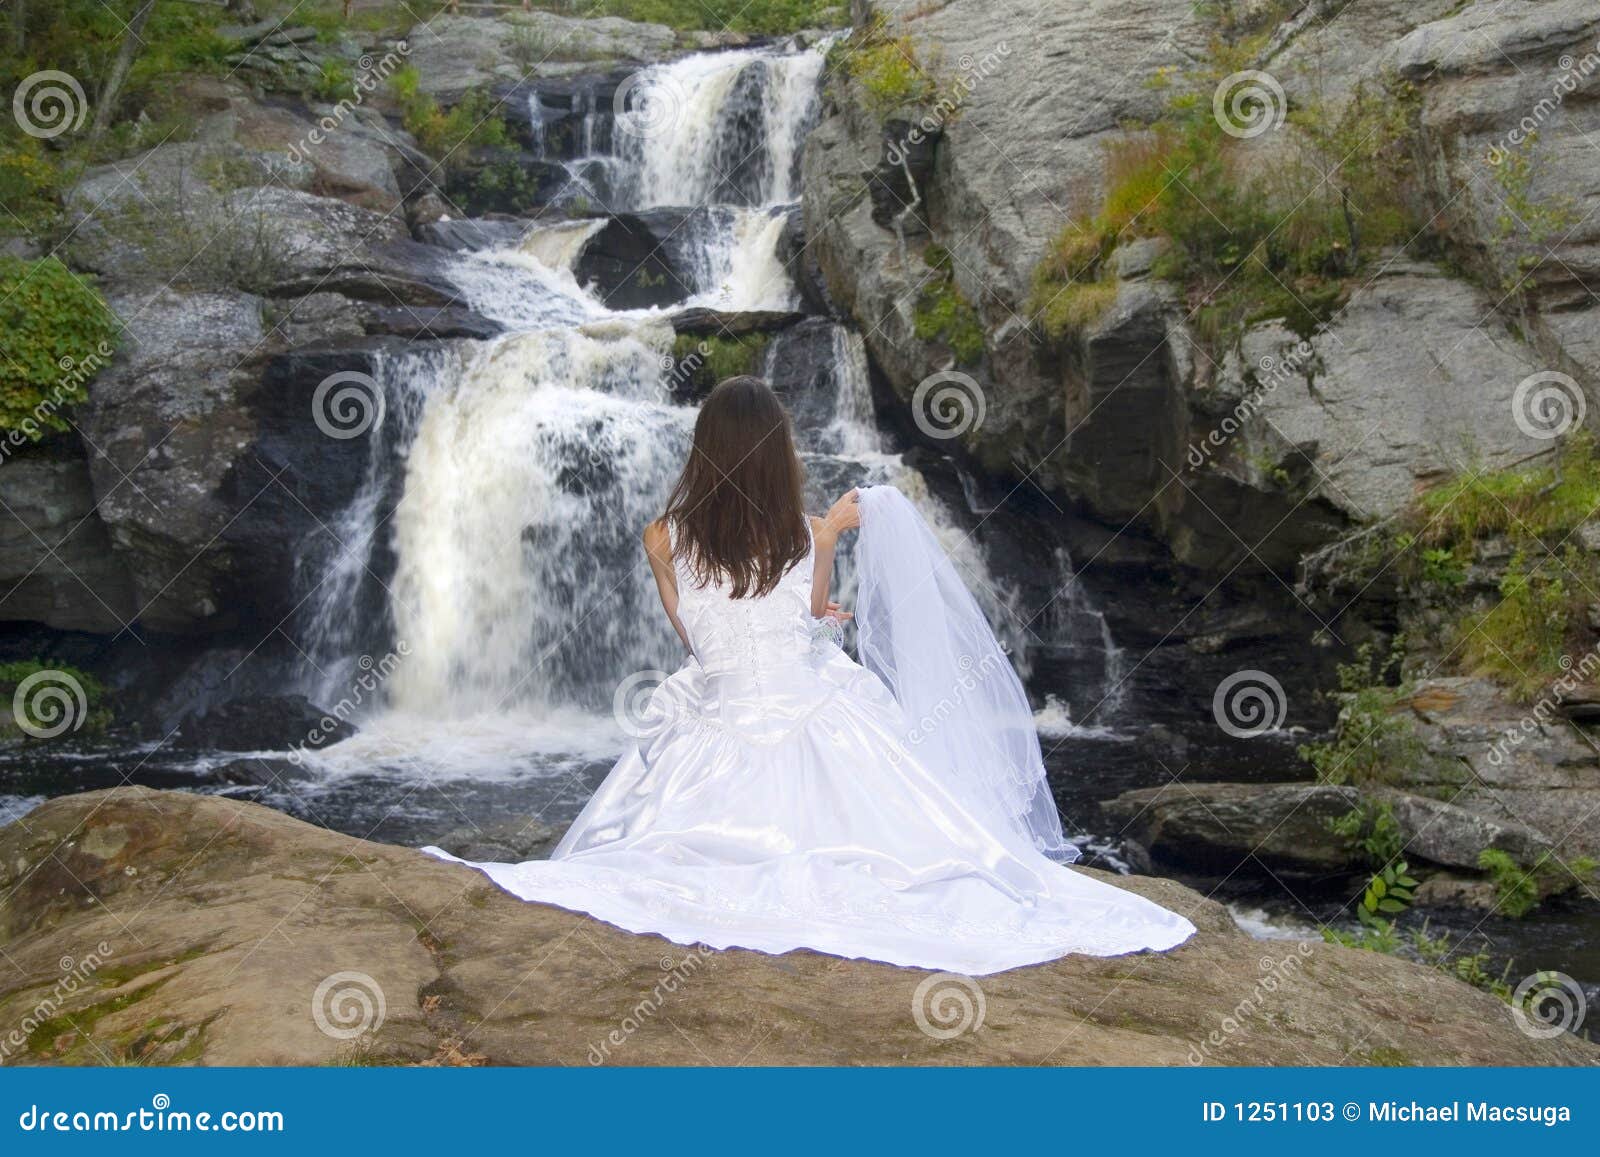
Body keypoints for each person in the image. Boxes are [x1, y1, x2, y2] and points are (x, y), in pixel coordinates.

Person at [426, 376, 1194, 974]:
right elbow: (815, 610)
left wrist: (784, 617)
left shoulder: (660, 536)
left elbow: (698, 644)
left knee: (646, 850)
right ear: (774, 455)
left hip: (714, 732)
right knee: (914, 834)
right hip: (815, 714)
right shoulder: (804, 533)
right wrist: (826, 555)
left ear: (705, 450)